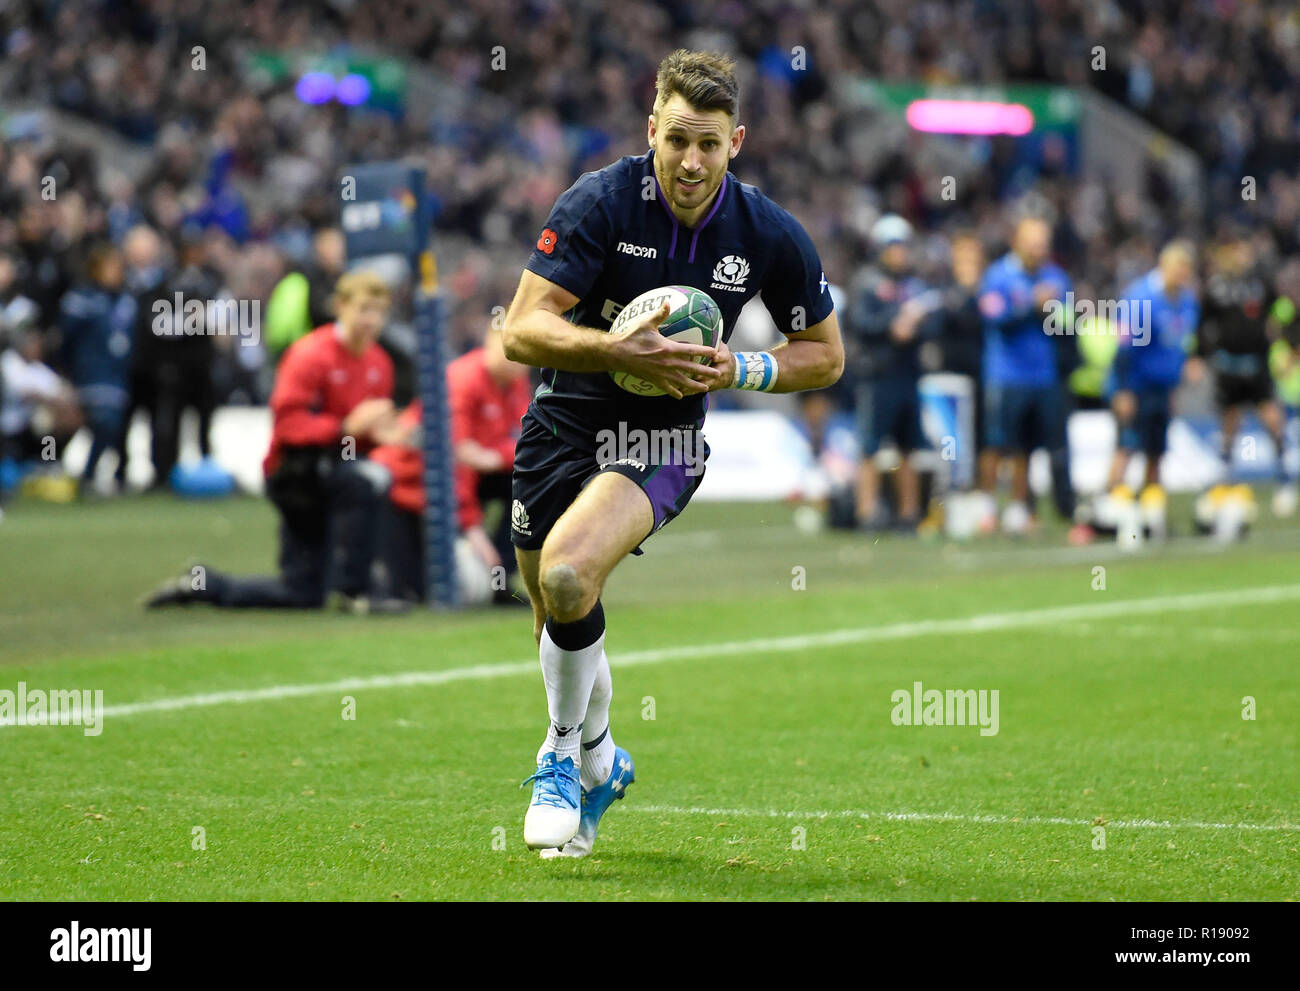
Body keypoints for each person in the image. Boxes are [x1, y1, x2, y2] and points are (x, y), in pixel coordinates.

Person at [501, 50, 843, 857]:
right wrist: (622, 351)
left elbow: (824, 354)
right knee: (557, 613)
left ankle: (557, 754)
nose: (691, 161)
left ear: (738, 143)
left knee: (566, 573)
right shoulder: (602, 203)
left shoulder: (764, 231)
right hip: (563, 421)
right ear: (651, 129)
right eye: (678, 139)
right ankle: (601, 757)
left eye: (711, 144)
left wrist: (744, 366)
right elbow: (520, 329)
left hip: (661, 439)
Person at [145, 271, 407, 613]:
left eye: (378, 311)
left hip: (332, 469)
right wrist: (345, 426)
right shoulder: (310, 354)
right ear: (340, 307)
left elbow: (358, 439)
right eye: (363, 309)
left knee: (303, 594)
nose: (371, 321)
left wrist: (381, 436)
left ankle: (205, 584)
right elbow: (288, 425)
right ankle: (356, 590)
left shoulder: (379, 363)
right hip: (295, 475)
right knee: (369, 479)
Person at [369, 324, 533, 604]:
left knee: (534, 482)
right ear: (489, 342)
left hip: (464, 482)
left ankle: (499, 574)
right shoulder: (463, 380)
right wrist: (472, 527)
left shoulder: (515, 382)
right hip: (410, 484)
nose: (518, 362)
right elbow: (456, 457)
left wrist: (495, 456)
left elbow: (526, 442)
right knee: (411, 591)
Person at [978, 216, 1087, 541]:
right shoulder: (998, 275)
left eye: (1043, 243)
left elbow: (1067, 323)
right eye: (1034, 242)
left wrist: (1057, 310)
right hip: (1006, 374)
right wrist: (1029, 305)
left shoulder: (1056, 277)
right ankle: (986, 508)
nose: (1039, 249)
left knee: (1028, 446)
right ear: (1018, 242)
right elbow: (993, 317)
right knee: (998, 444)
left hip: (1044, 375)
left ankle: (1018, 508)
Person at [847, 215, 941, 532]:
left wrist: (914, 326)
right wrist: (892, 325)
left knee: (908, 447)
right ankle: (866, 511)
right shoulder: (867, 281)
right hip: (878, 375)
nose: (901, 253)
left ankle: (909, 513)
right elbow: (858, 322)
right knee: (870, 446)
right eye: (894, 247)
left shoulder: (914, 285)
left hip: (908, 375)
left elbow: (934, 323)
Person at [1103, 242, 1201, 538]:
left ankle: (1150, 513)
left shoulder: (1188, 302)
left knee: (1156, 452)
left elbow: (1179, 346)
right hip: (1135, 387)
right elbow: (1123, 349)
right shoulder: (1140, 298)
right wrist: (1123, 391)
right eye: (1178, 268)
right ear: (1164, 266)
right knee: (1126, 447)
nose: (1182, 274)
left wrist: (1175, 386)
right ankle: (1109, 512)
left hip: (1162, 388)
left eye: (1187, 269)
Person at [1198, 235, 1289, 516]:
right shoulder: (1215, 288)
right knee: (1229, 424)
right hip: (1229, 366)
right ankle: (1225, 476)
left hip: (1256, 366)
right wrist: (1199, 356)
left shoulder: (1260, 284)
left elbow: (1277, 314)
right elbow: (1202, 324)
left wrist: (1279, 345)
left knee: (1273, 420)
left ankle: (1284, 479)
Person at [58, 243, 136, 492]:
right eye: (109, 267)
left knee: (109, 424)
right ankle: (54, 463)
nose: (115, 272)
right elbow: (65, 339)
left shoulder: (125, 300)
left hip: (116, 373)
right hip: (88, 371)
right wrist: (66, 371)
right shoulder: (79, 299)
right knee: (100, 422)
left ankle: (90, 475)